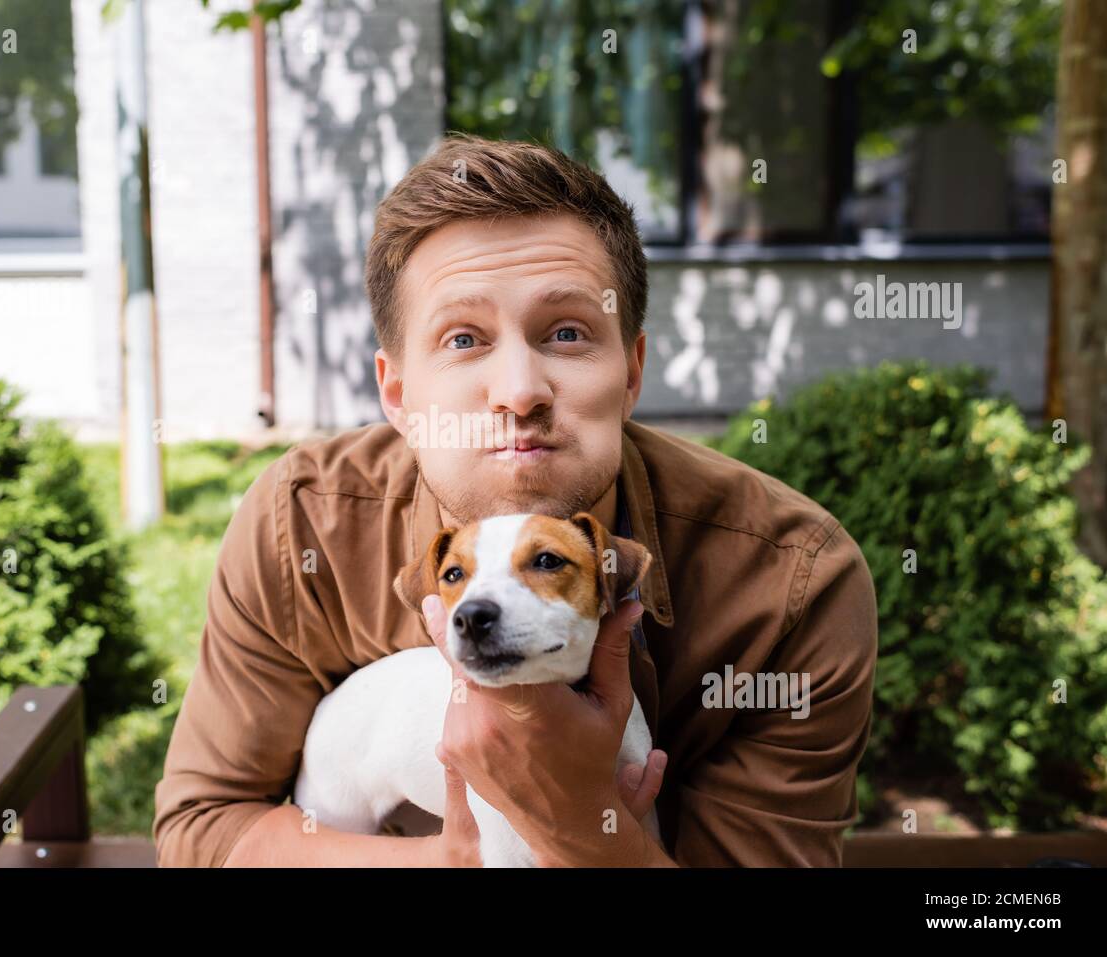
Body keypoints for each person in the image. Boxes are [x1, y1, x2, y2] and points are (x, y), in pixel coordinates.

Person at [153, 134, 878, 867]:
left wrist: (570, 820)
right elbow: (206, 830)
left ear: (630, 372)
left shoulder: (794, 584)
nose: (520, 390)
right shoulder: (302, 523)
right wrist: (460, 860)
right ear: (399, 393)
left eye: (566, 332)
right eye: (464, 338)